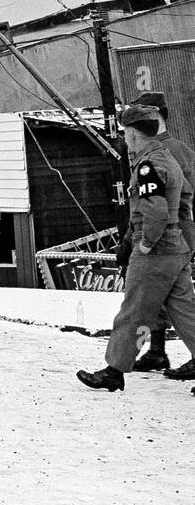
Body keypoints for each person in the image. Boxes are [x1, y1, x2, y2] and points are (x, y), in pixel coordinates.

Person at [78, 105, 195, 392]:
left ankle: (114, 371)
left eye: (125, 133)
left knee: (133, 310)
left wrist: (144, 244)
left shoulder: (148, 166)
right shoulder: (168, 159)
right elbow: (183, 205)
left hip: (156, 250)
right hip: (176, 246)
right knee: (185, 310)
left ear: (132, 134)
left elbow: (154, 212)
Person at [120, 91, 195, 377]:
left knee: (150, 299)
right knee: (171, 298)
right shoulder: (177, 148)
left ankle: (141, 356)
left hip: (168, 235)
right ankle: (156, 351)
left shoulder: (160, 152)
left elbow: (158, 205)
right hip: (178, 233)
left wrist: (138, 241)